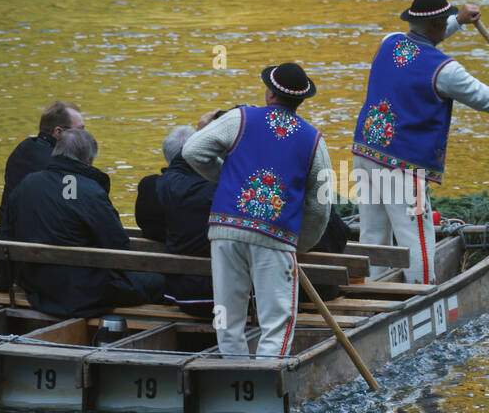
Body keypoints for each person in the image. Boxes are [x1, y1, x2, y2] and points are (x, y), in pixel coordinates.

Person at [351, 0, 489, 283]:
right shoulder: (445, 70)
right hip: (403, 166)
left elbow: (429, 37)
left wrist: (457, 22)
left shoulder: (390, 42)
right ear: (437, 24)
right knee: (416, 236)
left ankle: (374, 288)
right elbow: (485, 97)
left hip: (365, 152)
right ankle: (420, 295)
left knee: (373, 232)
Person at [181, 64, 331, 357]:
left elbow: (191, 151)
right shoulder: (314, 140)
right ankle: (265, 381)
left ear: (270, 92)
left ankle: (233, 376)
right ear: (300, 100)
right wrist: (301, 244)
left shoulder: (240, 117)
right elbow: (320, 203)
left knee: (227, 315)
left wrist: (225, 176)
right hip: (276, 237)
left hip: (225, 231)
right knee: (276, 322)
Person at [138, 122, 352, 313]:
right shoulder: (245, 190)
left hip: (185, 296)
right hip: (244, 297)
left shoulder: (159, 188)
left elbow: (153, 231)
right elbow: (334, 233)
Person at [0, 128, 166, 318]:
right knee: (161, 281)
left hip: (36, 286)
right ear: (88, 161)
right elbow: (118, 246)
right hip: (82, 292)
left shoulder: (27, 184)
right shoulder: (89, 190)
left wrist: (2, 284)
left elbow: (5, 235)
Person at [0, 101, 84, 292]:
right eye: (80, 131)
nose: (85, 137)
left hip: (11, 268)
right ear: (58, 132)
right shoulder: (63, 167)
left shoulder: (21, 152)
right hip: (50, 272)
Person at [134, 125, 215, 316]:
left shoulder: (153, 187)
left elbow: (150, 231)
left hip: (176, 287)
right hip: (217, 288)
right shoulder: (215, 187)